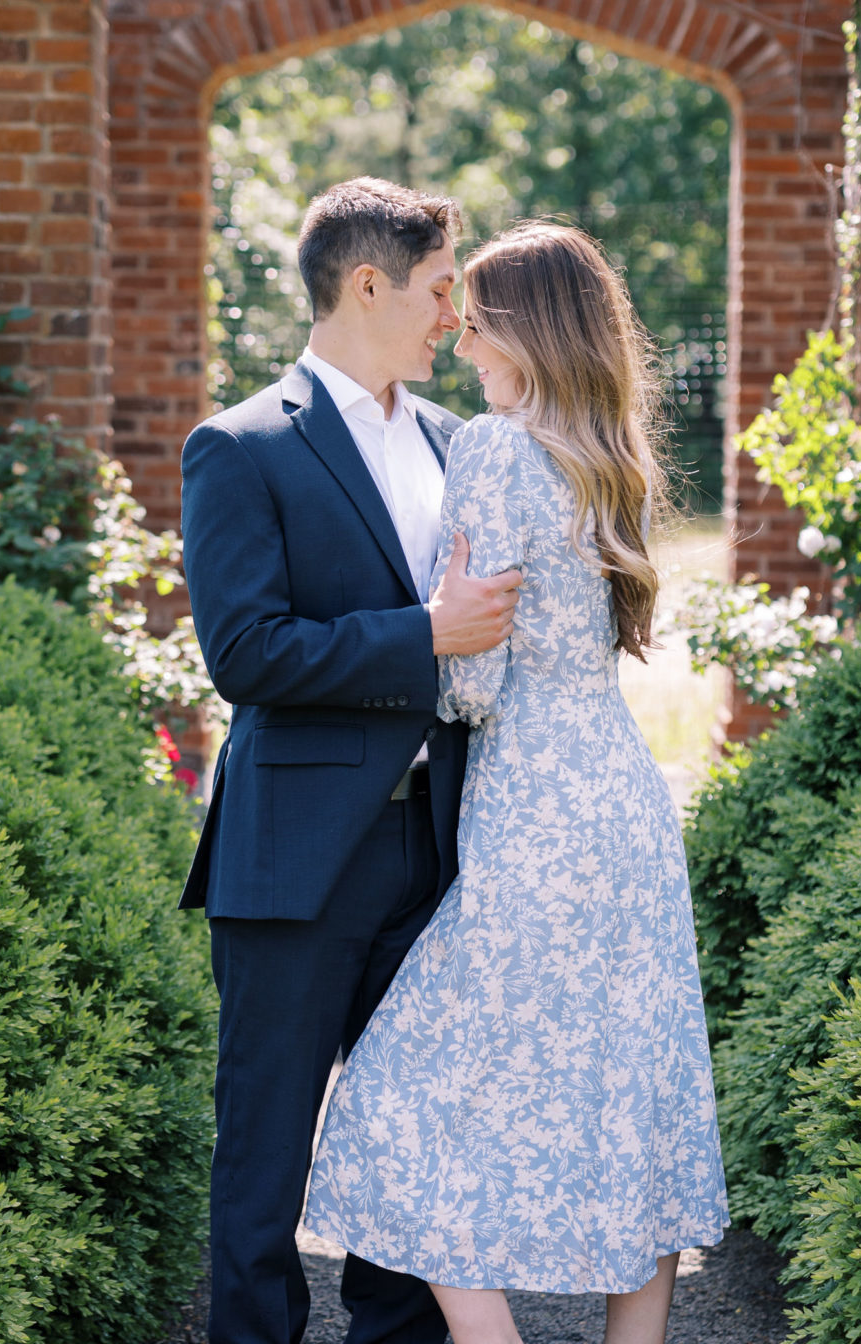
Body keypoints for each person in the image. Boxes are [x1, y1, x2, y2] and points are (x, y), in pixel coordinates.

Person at [305, 222, 729, 1344]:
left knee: (403, 1090)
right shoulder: (615, 455)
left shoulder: (495, 449)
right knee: (629, 1090)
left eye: (477, 316)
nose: (459, 333)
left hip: (534, 808)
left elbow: (474, 687)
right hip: (627, 804)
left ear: (528, 334)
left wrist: (435, 631)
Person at [179, 177, 523, 1344]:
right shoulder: (239, 446)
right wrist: (424, 632)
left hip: (436, 853)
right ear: (368, 282)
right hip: (293, 862)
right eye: (439, 293)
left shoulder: (455, 442)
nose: (454, 320)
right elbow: (246, 651)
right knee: (265, 1155)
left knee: (412, 1151)